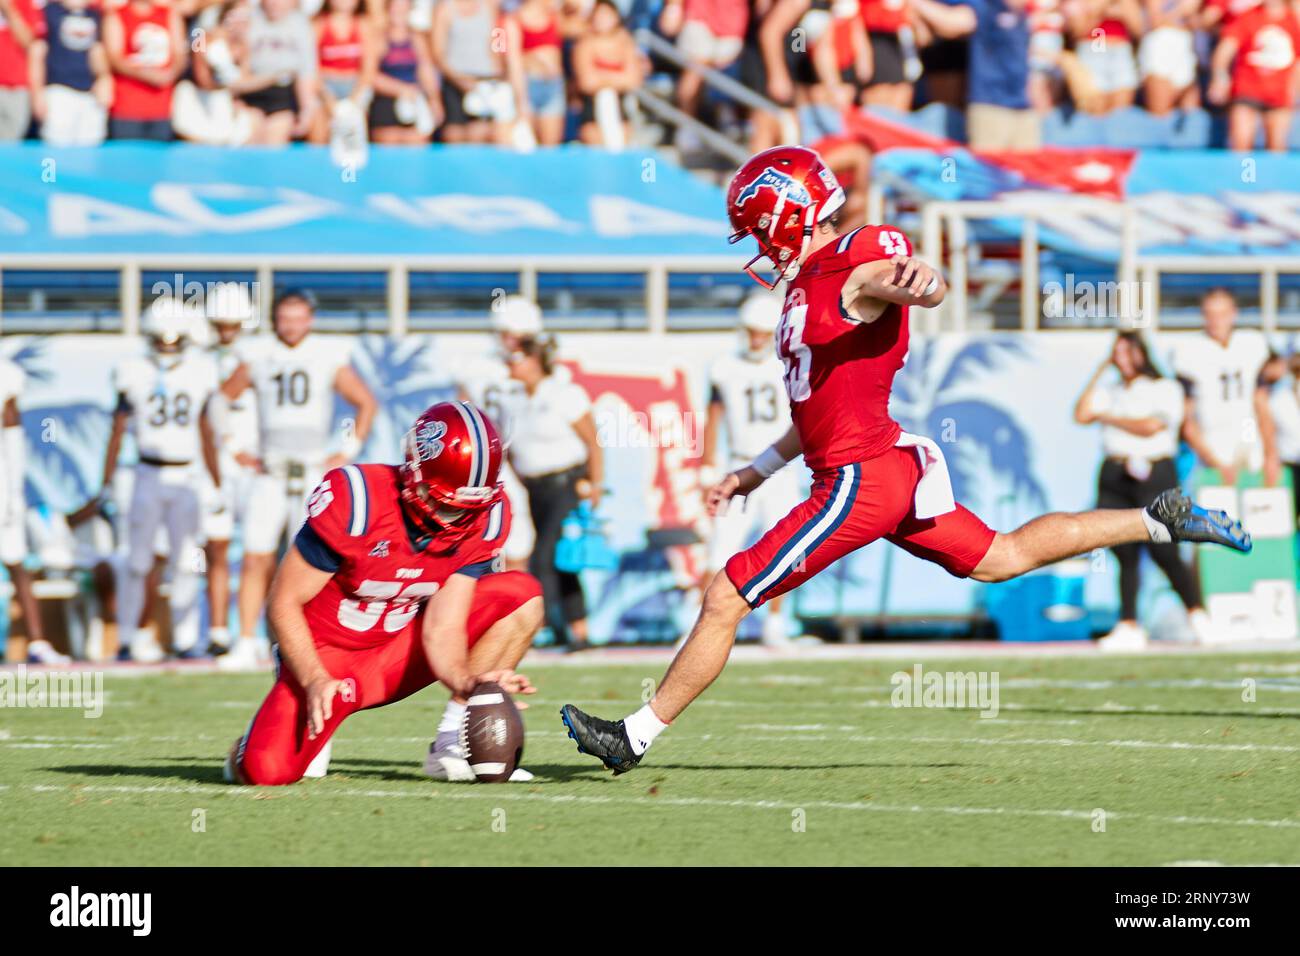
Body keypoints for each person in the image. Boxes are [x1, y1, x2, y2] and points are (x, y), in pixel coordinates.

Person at [560, 145, 1253, 774]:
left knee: (727, 595)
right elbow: (819, 409)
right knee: (1002, 556)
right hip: (881, 467)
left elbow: (909, 276)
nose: (759, 248)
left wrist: (922, 277)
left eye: (760, 230)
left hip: (859, 480)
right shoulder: (807, 284)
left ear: (786, 219)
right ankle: (1155, 520)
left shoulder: (853, 258)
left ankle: (635, 735)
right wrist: (754, 471)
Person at [224, 401, 543, 786]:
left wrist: (466, 682)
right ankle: (261, 730)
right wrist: (312, 678)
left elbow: (443, 627)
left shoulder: (485, 518)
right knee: (267, 772)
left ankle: (453, 740)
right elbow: (283, 602)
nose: (454, 520)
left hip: (396, 653)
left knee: (521, 594)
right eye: (445, 504)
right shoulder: (358, 502)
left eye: (467, 509)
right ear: (414, 472)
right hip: (327, 661)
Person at [218, 289, 377, 670]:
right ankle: (246, 640)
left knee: (308, 560)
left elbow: (365, 402)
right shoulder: (257, 352)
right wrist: (234, 446)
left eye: (298, 316)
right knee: (256, 555)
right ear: (275, 319)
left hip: (310, 471)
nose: (291, 325)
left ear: (310, 318)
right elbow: (220, 400)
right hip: (271, 469)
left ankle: (306, 641)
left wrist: (346, 451)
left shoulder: (326, 352)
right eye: (285, 317)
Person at [98, 297, 222, 662]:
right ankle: (128, 637)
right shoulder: (132, 369)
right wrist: (106, 482)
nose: (166, 347)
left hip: (187, 473)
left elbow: (204, 429)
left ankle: (184, 638)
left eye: (173, 339)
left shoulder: (202, 369)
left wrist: (216, 482)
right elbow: (117, 429)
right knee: (137, 560)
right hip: (145, 471)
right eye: (160, 339)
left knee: (186, 560)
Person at [1074, 332, 1214, 650]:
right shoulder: (1109, 389)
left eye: (1127, 352)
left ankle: (1197, 614)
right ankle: (1128, 623)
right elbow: (1081, 414)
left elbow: (1151, 426)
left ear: (1141, 354)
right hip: (1115, 471)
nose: (1121, 358)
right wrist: (1100, 370)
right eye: (1116, 353)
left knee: (1163, 547)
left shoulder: (1164, 388)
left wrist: (1107, 417)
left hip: (1154, 471)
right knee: (1121, 548)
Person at [697, 290, 802, 646]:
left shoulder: (787, 363)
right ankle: (699, 626)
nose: (757, 339)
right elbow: (713, 418)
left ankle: (775, 624)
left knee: (784, 546)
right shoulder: (724, 367)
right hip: (738, 465)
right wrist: (707, 465)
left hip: (780, 467)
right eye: (752, 331)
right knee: (720, 547)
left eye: (763, 332)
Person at [504, 334, 603, 651]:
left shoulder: (563, 394)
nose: (511, 364)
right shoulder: (515, 400)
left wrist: (596, 483)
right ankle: (577, 632)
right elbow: (511, 449)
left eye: (518, 358)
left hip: (565, 485)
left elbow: (592, 440)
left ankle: (540, 627)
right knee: (562, 559)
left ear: (535, 360)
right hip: (535, 489)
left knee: (545, 557)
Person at [453, 295, 542, 573]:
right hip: (490, 463)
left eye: (521, 338)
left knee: (519, 542)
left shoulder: (536, 368)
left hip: (524, 465)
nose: (513, 344)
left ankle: (516, 607)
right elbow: (462, 415)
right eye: (509, 336)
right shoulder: (478, 369)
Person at [200, 282, 259, 656]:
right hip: (217, 461)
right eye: (222, 324)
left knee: (259, 550)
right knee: (216, 546)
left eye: (233, 324)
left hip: (255, 461)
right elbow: (208, 415)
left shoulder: (262, 356)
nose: (227, 332)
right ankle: (219, 630)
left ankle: (251, 633)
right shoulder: (201, 360)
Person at [1173, 288, 1280, 489]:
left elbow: (1261, 402)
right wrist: (1212, 460)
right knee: (1217, 515)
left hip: (1248, 431)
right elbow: (1187, 417)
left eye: (1222, 314)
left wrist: (1271, 453)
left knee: (1259, 509)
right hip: (1213, 440)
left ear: (1234, 313)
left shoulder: (1251, 342)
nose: (1217, 321)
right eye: (1210, 314)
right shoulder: (1189, 350)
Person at [0, 356, 68, 664]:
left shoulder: (6, 374)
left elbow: (12, 432)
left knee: (15, 562)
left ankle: (37, 642)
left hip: (2, 483)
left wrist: (14, 489)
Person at [909, 0, 1039, 151]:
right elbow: (951, 22)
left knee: (1027, 170)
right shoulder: (987, 7)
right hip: (991, 108)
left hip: (1023, 108)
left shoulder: (1023, 16)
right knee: (988, 171)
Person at [1207, 0, 1300, 152]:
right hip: (1247, 90)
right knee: (1241, 146)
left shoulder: (1294, 21)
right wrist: (1220, 77)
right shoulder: (1248, 17)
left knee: (1277, 147)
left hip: (1280, 94)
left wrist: (1294, 91)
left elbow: (1297, 61)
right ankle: (1243, 176)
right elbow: (1224, 51)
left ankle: (1273, 176)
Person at [29, 0, 112, 147]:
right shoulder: (49, 12)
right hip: (59, 91)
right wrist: (37, 93)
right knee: (54, 152)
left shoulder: (94, 14)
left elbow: (97, 52)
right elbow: (37, 52)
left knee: (89, 153)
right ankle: (50, 172)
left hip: (90, 95)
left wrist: (103, 79)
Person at [102, 0, 186, 141]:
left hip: (162, 108)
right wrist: (146, 75)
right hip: (127, 108)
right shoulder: (116, 14)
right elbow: (114, 58)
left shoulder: (169, 13)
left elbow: (180, 54)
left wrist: (170, 74)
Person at [239, 0, 319, 145]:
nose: (275, 3)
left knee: (275, 139)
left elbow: (306, 72)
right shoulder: (249, 19)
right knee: (249, 133)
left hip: (284, 95)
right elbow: (238, 71)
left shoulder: (301, 25)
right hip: (251, 93)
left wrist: (306, 110)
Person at [571, 0, 646, 148]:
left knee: (621, 148)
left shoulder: (625, 42)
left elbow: (633, 80)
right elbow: (587, 82)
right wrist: (617, 77)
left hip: (620, 109)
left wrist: (601, 76)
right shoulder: (585, 43)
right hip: (592, 111)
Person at [368, 0, 441, 145]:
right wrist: (402, 90)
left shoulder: (417, 38)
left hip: (415, 102)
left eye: (403, 6)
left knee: (417, 142)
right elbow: (370, 76)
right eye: (395, 7)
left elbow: (425, 70)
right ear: (388, 9)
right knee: (388, 145)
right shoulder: (379, 38)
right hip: (386, 102)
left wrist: (434, 99)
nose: (398, 11)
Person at [0, 0, 42, 141]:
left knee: (10, 147)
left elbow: (28, 42)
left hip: (15, 88)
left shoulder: (24, 3)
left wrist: (9, 9)